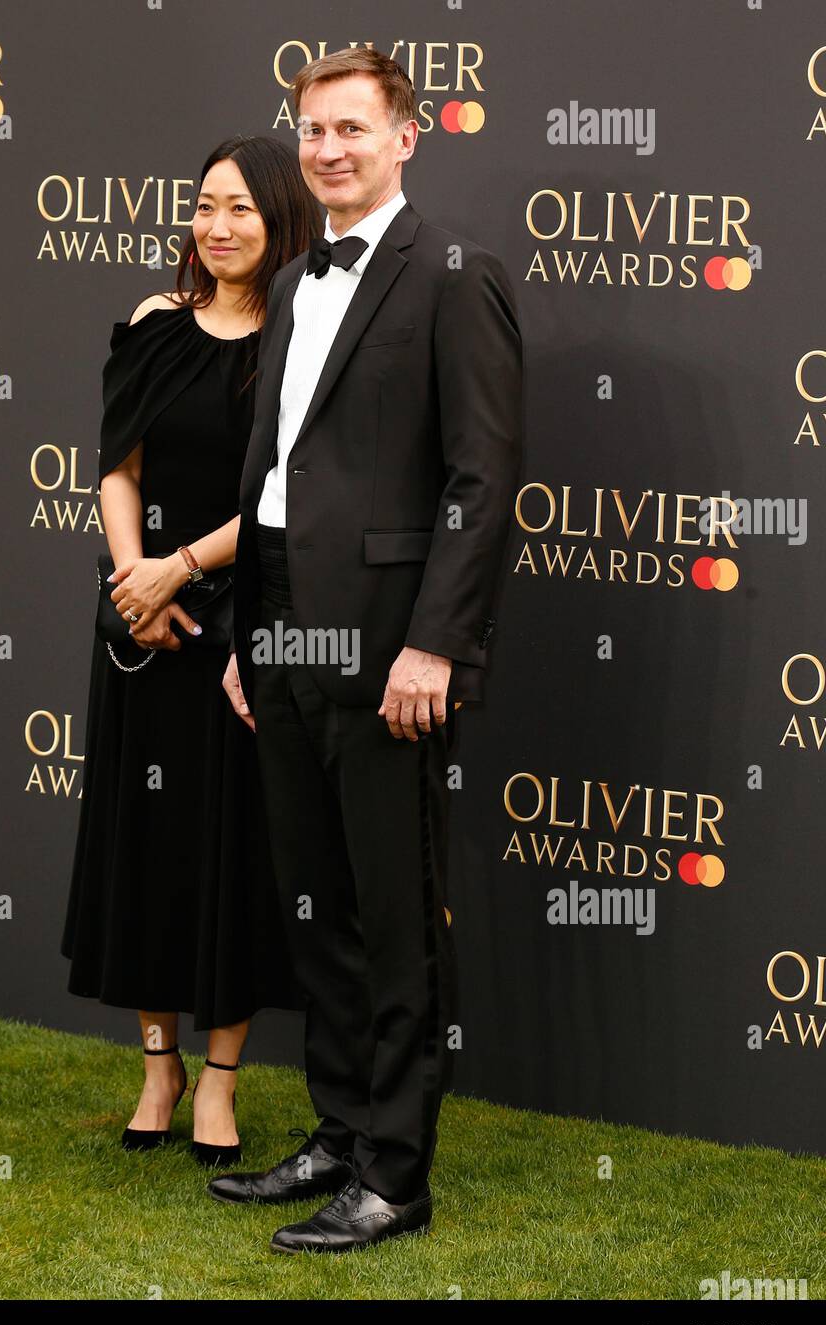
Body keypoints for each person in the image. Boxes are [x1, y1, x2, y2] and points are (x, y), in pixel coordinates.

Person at [214, 49, 524, 1250]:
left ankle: (395, 1173)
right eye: (310, 129)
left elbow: (481, 476)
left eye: (351, 128)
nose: (327, 149)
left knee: (392, 911)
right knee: (317, 902)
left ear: (407, 137)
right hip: (283, 614)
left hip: (390, 639)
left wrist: (434, 645)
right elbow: (278, 475)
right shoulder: (293, 281)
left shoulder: (454, 275)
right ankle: (340, 1132)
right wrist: (248, 630)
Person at [62, 136, 318, 1167]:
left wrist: (179, 569)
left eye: (242, 210)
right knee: (148, 853)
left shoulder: (300, 339)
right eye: (206, 206)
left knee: (232, 853)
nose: (217, 226)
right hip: (143, 632)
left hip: (234, 622)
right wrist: (133, 581)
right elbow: (113, 463)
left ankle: (219, 1079)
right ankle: (155, 1065)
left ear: (280, 220)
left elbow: (280, 495)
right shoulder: (152, 324)